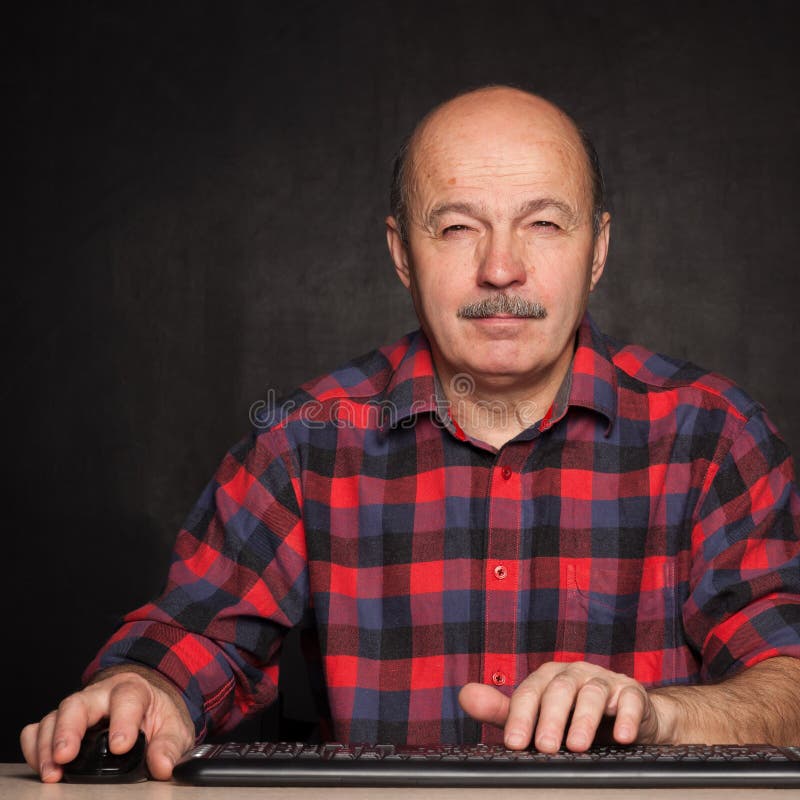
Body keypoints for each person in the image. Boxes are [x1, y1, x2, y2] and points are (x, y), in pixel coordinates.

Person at [21, 85, 800, 783]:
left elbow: (788, 685)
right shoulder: (306, 442)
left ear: (596, 251)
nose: (502, 268)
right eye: (458, 228)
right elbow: (196, 639)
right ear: (401, 253)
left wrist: (657, 716)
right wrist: (145, 691)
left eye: (544, 224)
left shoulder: (715, 436)